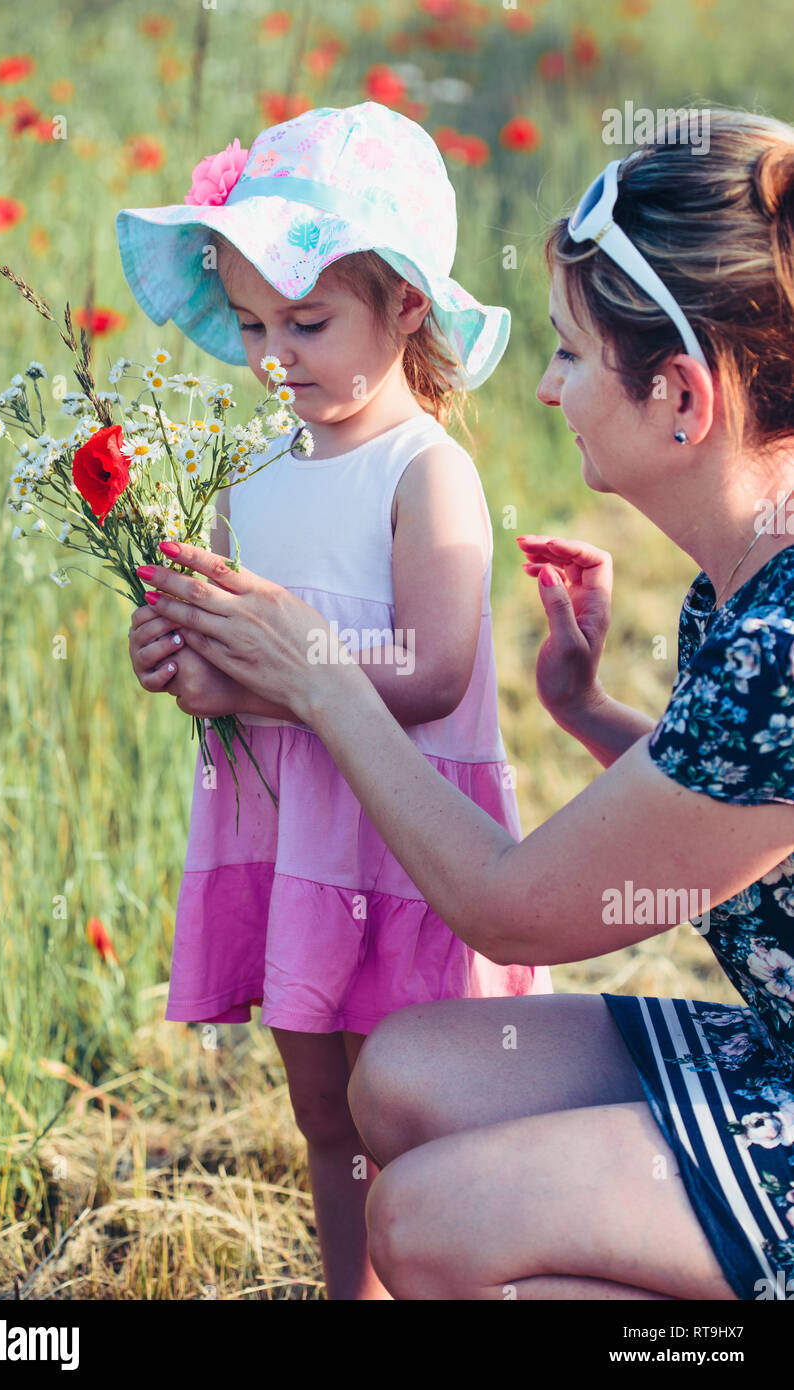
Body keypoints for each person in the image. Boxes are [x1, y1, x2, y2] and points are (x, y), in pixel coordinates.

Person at [136, 108, 794, 1300]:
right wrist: (588, 713)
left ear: (682, 397)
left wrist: (311, 675)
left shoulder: (779, 637)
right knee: (397, 1078)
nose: (543, 388)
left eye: (571, 353)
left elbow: (513, 911)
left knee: (429, 1221)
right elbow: (748, 813)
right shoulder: (738, 593)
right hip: (774, 1051)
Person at [118, 101, 551, 1301]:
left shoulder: (426, 472)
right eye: (251, 324)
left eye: (307, 323)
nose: (273, 357)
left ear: (405, 304)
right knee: (325, 1112)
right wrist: (184, 667)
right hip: (293, 832)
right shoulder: (248, 471)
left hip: (404, 839)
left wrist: (289, 674)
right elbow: (233, 668)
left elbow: (437, 669)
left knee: (408, 1095)